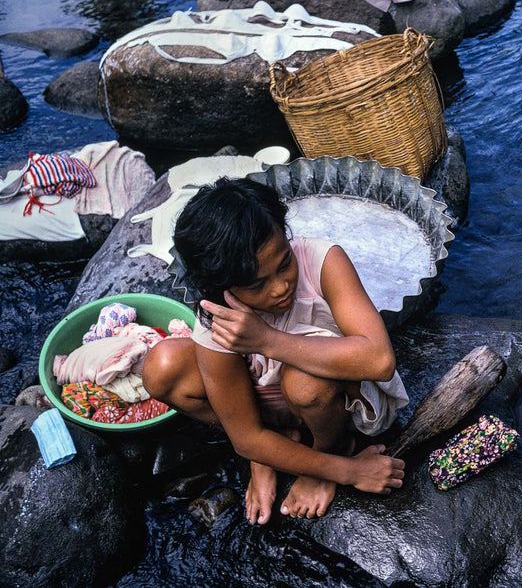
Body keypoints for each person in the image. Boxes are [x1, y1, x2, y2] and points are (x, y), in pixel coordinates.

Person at [143, 177, 407, 525]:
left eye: (284, 264)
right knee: (161, 368)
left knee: (305, 384)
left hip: (334, 397)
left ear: (285, 235)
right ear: (223, 288)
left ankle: (327, 448)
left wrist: (267, 340)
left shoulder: (321, 261)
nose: (282, 286)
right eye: (256, 285)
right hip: (268, 404)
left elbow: (379, 360)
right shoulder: (217, 314)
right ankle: (281, 445)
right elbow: (246, 439)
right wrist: (350, 473)